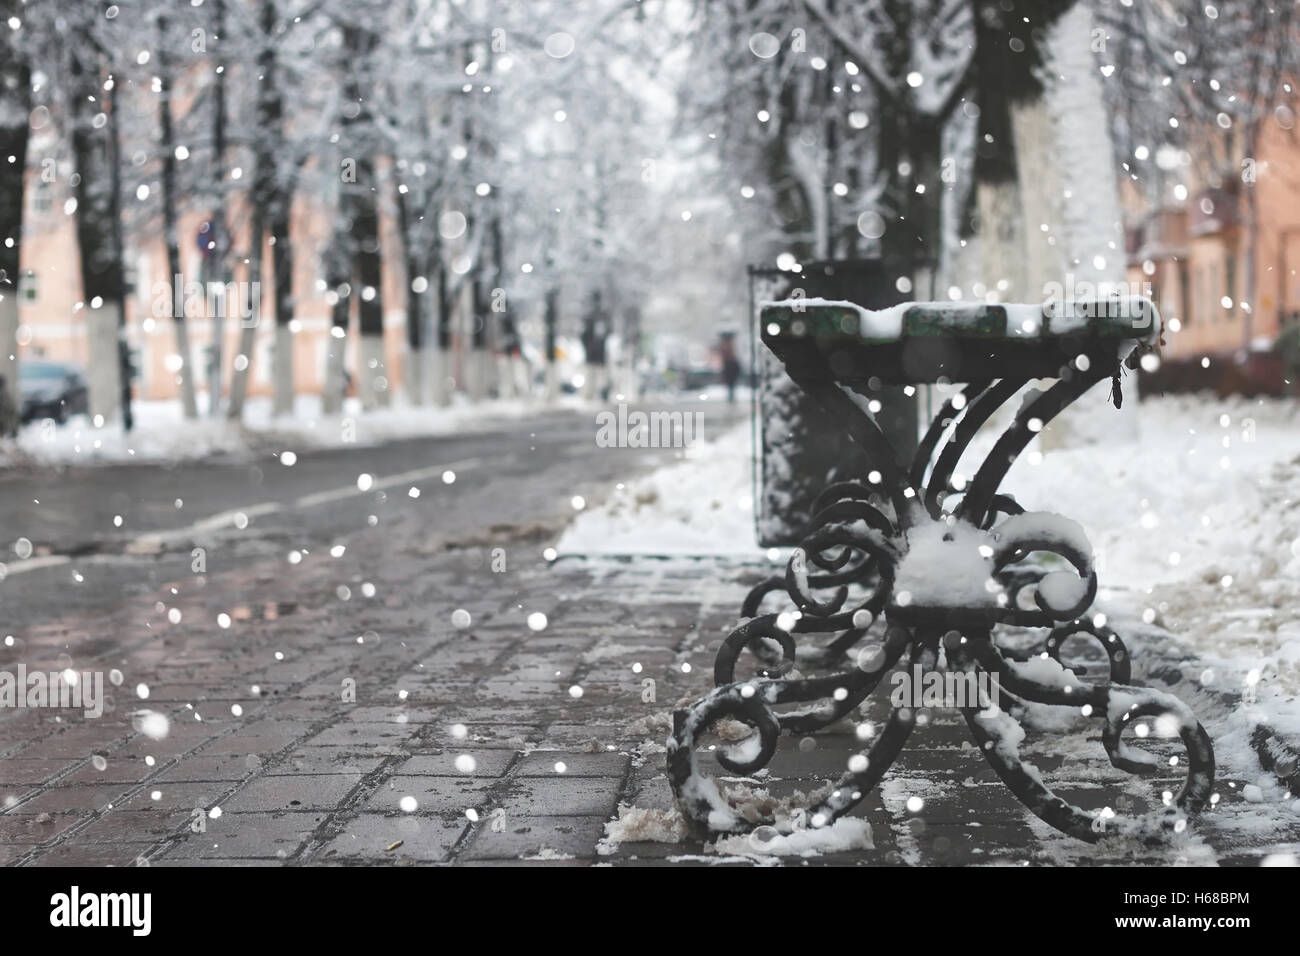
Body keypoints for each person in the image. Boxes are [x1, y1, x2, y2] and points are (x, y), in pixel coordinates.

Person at [719, 331, 741, 404]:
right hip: (731, 376)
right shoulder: (728, 360)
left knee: (731, 387)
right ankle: (731, 398)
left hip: (731, 376)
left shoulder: (730, 360)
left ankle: (731, 398)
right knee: (731, 387)